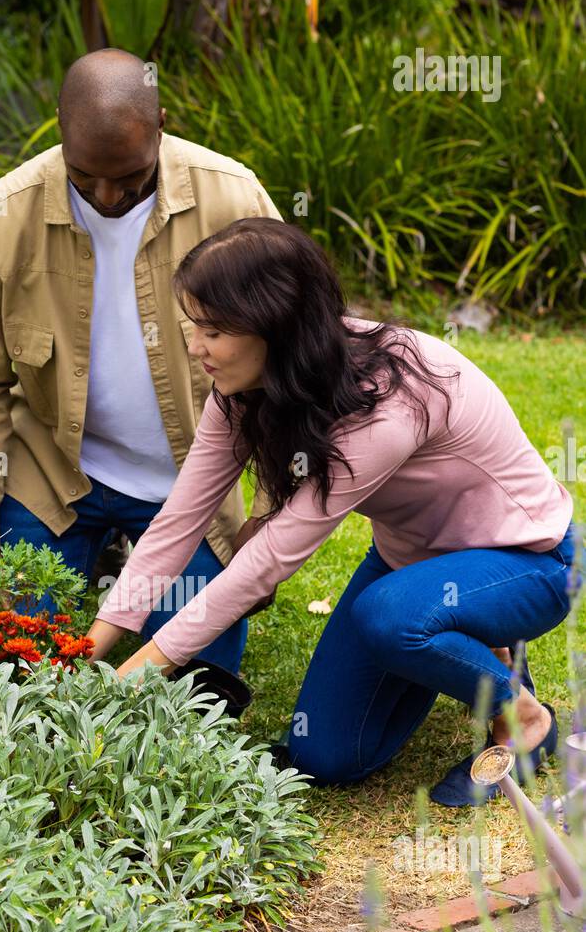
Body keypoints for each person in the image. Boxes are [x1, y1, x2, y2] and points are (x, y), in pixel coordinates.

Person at [86, 217, 581, 807]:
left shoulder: (385, 405)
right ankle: (476, 640)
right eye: (194, 326)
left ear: (277, 325)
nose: (195, 347)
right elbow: (180, 519)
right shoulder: (243, 390)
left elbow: (266, 562)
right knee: (324, 755)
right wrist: (89, 651)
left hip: (527, 560)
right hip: (412, 563)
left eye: (213, 329)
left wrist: (142, 669)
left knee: (391, 618)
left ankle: (522, 715)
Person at [0, 48, 283, 674]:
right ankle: (99, 556)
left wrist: (269, 517)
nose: (106, 195)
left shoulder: (232, 200)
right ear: (60, 131)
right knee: (22, 664)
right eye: (84, 175)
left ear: (161, 126)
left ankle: (128, 561)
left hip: (188, 491)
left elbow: (293, 365)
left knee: (194, 689)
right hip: (54, 480)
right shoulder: (5, 212)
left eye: (128, 177)